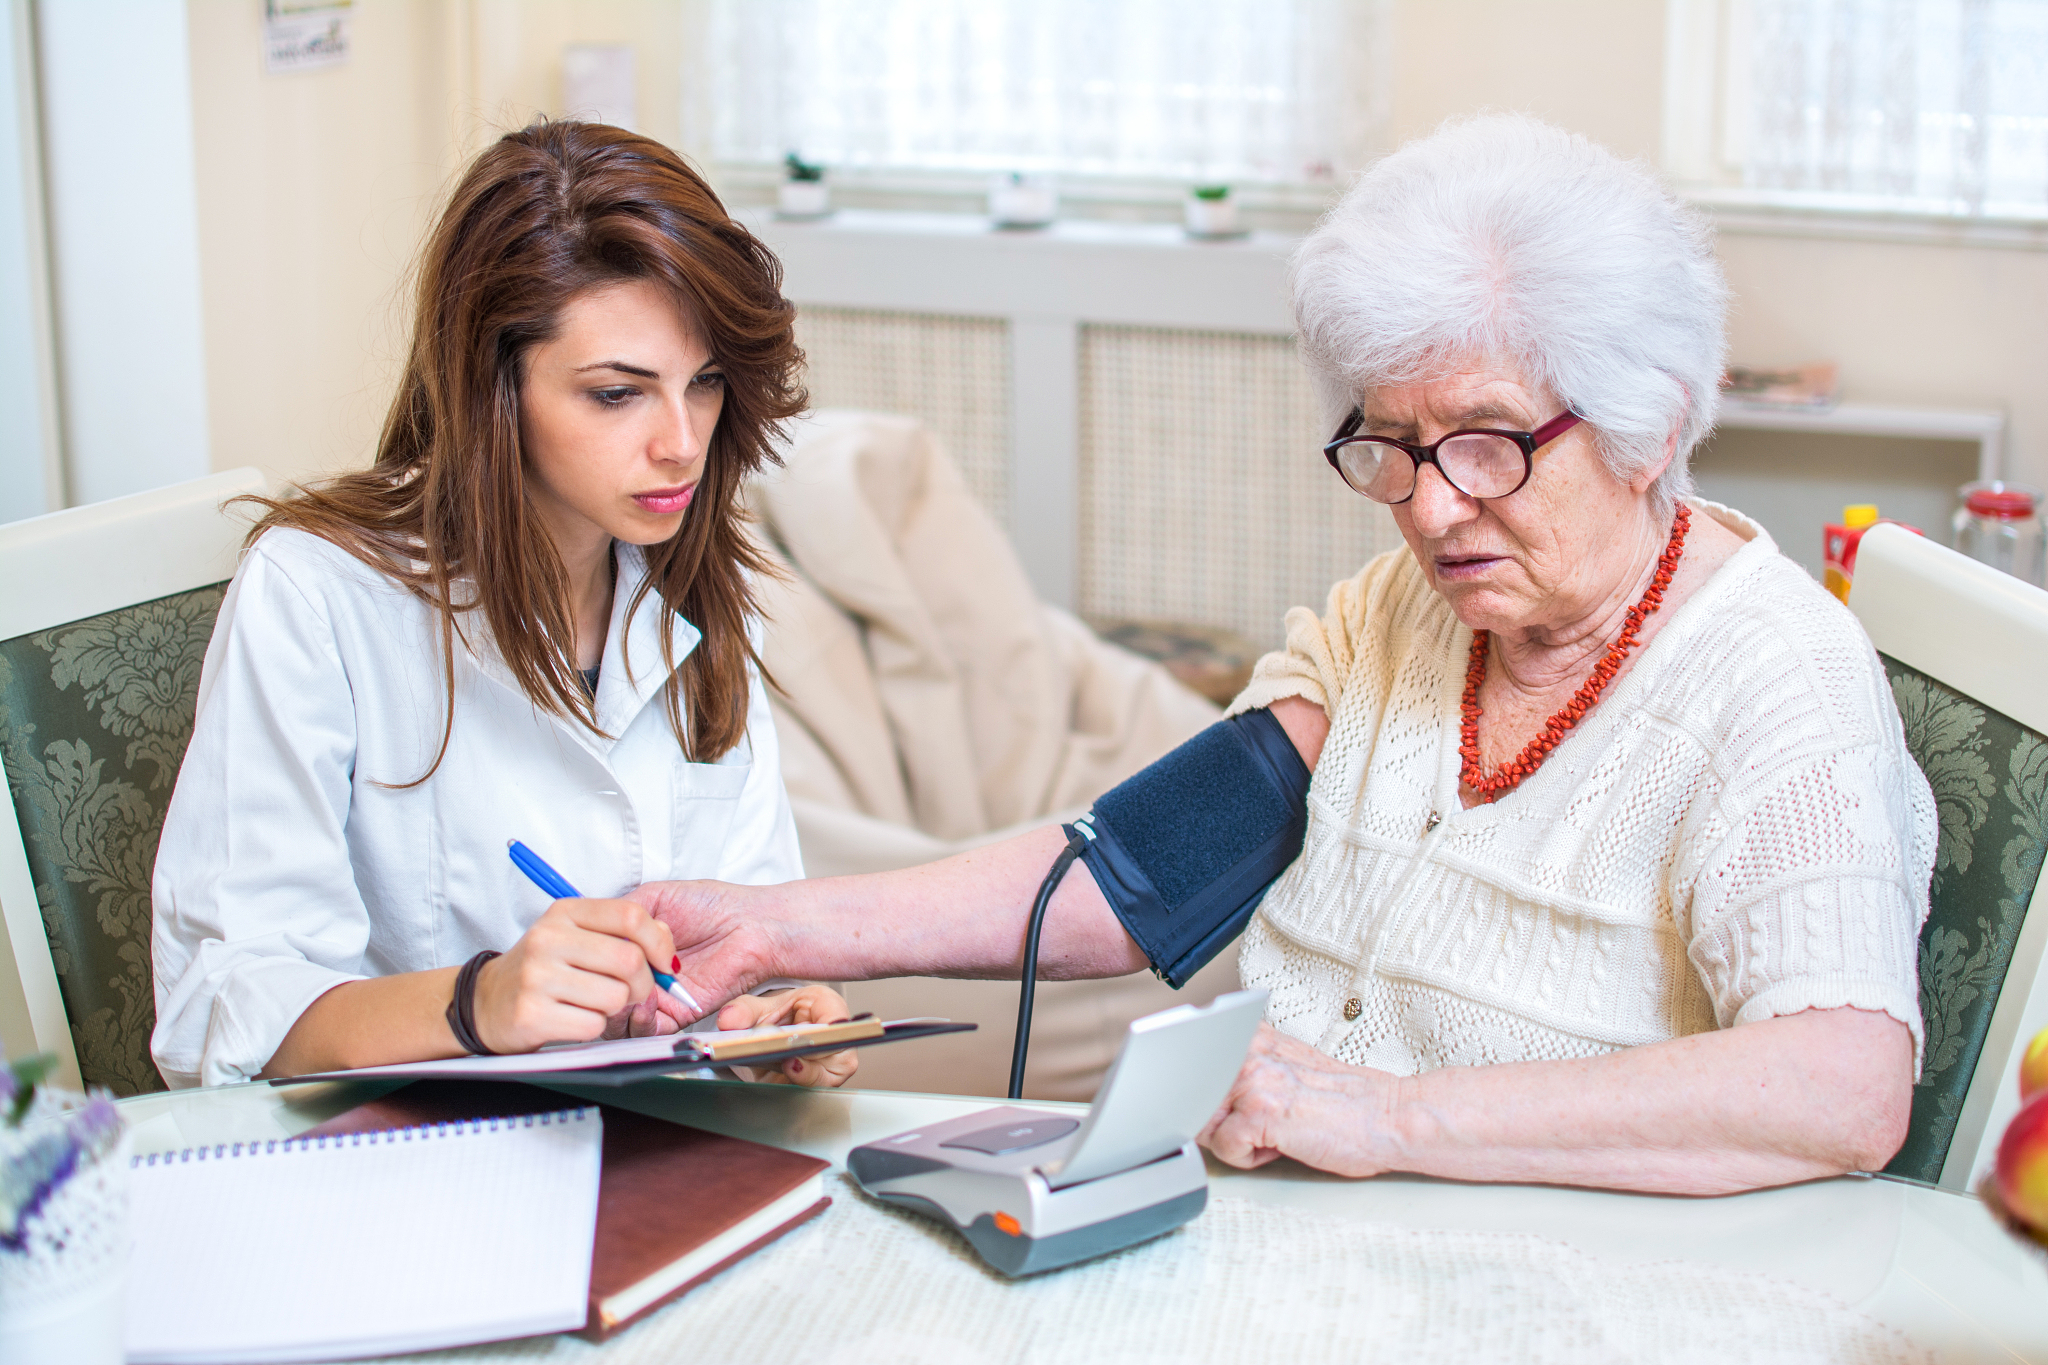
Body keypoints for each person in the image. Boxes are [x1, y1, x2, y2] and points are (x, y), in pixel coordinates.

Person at [631, 116, 1937, 1195]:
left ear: (1646, 423)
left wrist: (1393, 1118)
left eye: (1486, 445)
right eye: (1390, 447)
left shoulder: (1774, 675)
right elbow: (1138, 876)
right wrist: (778, 925)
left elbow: (1838, 1086)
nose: (1431, 510)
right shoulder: (1405, 615)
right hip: (1290, 1241)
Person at [151, 121, 856, 1089]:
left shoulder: (691, 586)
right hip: (411, 1151)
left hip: (662, 1136)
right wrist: (476, 1003)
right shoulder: (316, 595)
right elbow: (222, 1004)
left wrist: (770, 1018)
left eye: (703, 384)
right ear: (494, 387)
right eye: (617, 394)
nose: (683, 443)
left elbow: (751, 926)